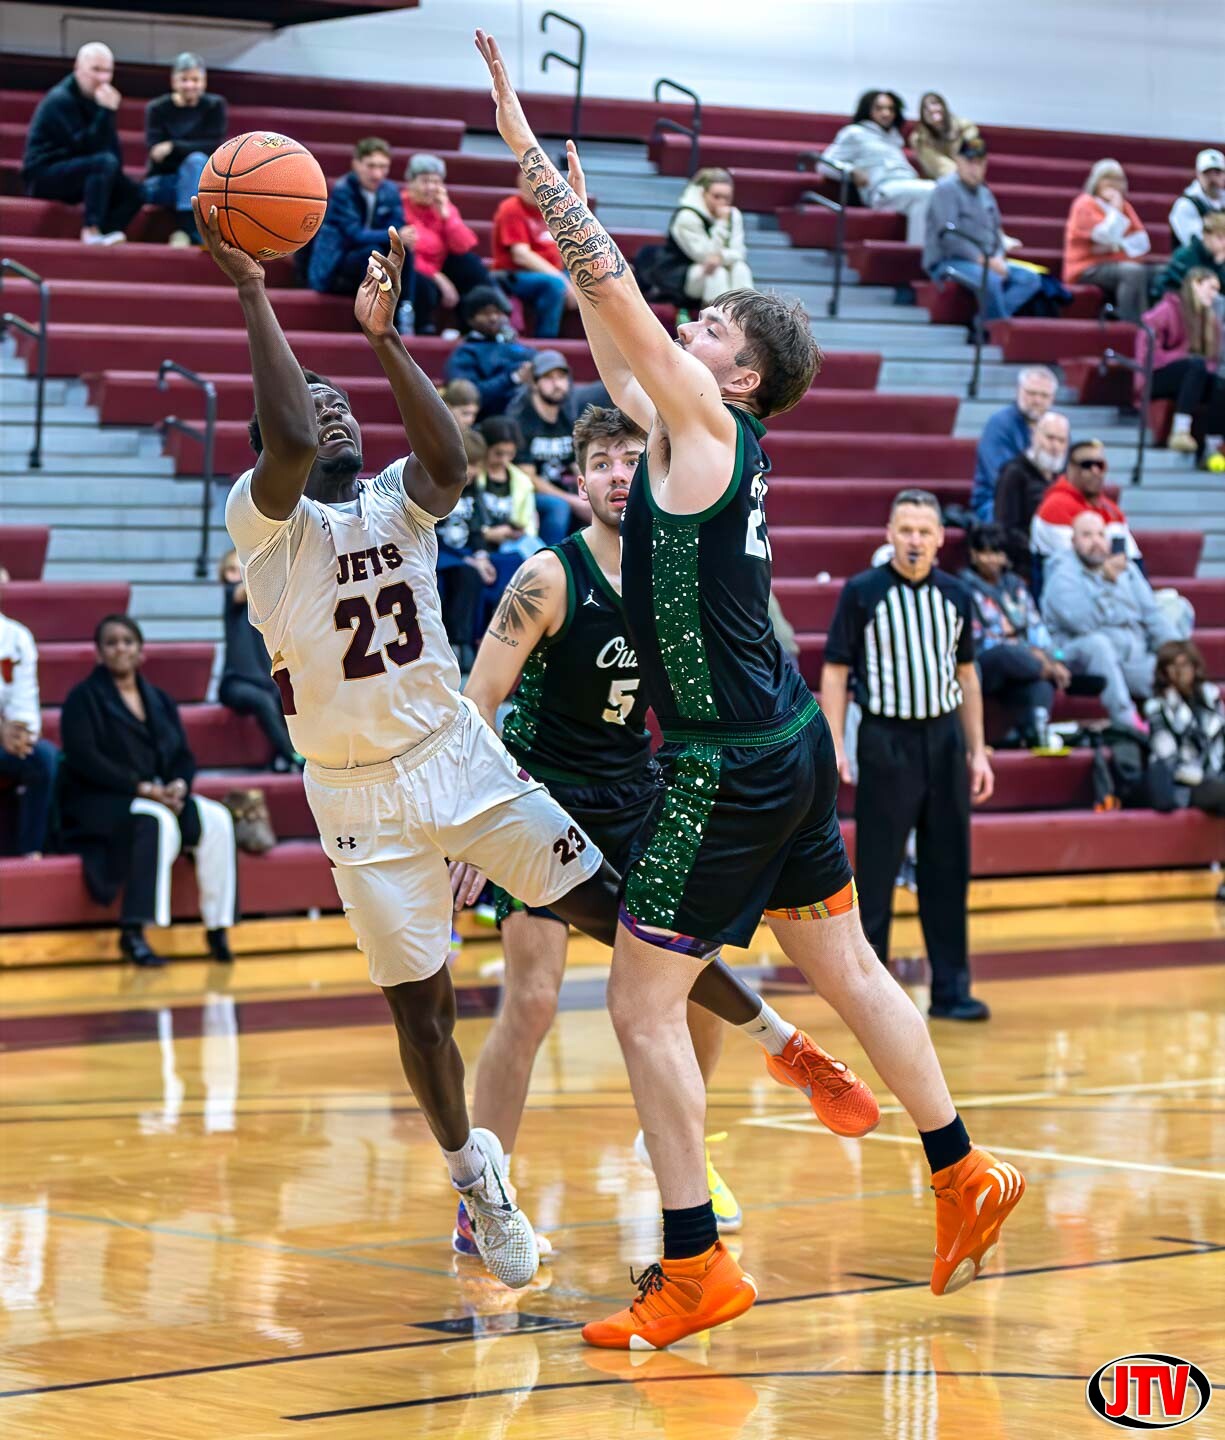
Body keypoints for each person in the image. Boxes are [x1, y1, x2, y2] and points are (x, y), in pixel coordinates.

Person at [478, 28, 1024, 1348]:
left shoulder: (709, 420)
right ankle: (963, 1168)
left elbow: (616, 288)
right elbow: (612, 313)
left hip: (727, 758)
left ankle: (694, 1264)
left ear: (739, 374)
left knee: (640, 1002)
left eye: (709, 322)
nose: (688, 318)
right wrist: (573, 222)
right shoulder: (680, 421)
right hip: (783, 740)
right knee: (837, 960)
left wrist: (526, 162)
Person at [209, 188, 830, 1294]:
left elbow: (447, 464)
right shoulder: (264, 527)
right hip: (355, 799)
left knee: (624, 915)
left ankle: (782, 1040)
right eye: (313, 407)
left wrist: (385, 342)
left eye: (346, 403)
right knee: (426, 1012)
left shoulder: (395, 502)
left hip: (456, 759)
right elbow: (294, 435)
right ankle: (476, 1178)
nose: (335, 416)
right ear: (269, 450)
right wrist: (258, 289)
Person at [459, 404, 879, 1249]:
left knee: (688, 980)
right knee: (532, 1002)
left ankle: (677, 1146)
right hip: (544, 798)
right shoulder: (547, 575)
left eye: (630, 458)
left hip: (641, 790)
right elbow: (477, 703)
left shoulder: (675, 570)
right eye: (601, 462)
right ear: (576, 481)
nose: (619, 474)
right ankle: (483, 1202)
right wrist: (470, 825)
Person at [823, 490, 994, 1020]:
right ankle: (871, 997)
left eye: (924, 531)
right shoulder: (861, 592)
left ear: (941, 539)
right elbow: (835, 671)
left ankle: (951, 990)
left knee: (949, 866)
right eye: (905, 530)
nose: (915, 540)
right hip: (885, 739)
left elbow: (967, 674)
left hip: (943, 740)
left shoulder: (957, 596)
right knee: (876, 869)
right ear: (889, 534)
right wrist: (834, 744)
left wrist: (979, 750)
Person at [58, 614, 237, 967]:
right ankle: (134, 932)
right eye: (111, 642)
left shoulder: (159, 699)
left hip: (156, 794)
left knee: (217, 819)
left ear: (140, 651)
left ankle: (217, 928)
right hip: (101, 800)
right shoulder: (83, 698)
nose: (120, 648)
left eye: (128, 641)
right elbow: (84, 759)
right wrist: (141, 789)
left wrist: (179, 786)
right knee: (157, 822)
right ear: (99, 653)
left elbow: (183, 755)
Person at [1041, 512, 1178, 731]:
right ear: (1073, 541)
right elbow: (1082, 623)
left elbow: (1152, 614)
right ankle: (1127, 723)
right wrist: (1104, 582)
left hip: (1131, 658)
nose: (1095, 541)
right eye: (1087, 535)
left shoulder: (1127, 570)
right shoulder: (1062, 573)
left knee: (1176, 650)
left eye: (1100, 534)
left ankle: (1191, 718)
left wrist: (1177, 651)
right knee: (1098, 644)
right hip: (1076, 657)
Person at [21, 42, 143, 245]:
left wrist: (107, 113)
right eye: (96, 70)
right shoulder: (60, 99)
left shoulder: (99, 100)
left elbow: (113, 155)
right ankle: (90, 231)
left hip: (81, 172)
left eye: (107, 71)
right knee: (102, 163)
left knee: (135, 190)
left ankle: (108, 231)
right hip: (44, 173)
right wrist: (106, 112)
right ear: (78, 68)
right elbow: (83, 146)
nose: (103, 78)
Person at [961, 523, 1071, 748]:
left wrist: (1049, 656)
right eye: (985, 553)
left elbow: (1036, 628)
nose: (991, 559)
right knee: (1005, 655)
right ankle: (1048, 671)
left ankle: (1032, 732)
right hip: (984, 664)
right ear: (973, 555)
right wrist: (1040, 661)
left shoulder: (1016, 586)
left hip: (1022, 664)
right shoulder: (963, 589)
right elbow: (979, 641)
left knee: (1040, 686)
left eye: (996, 553)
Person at [923, 138, 1042, 320]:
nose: (974, 169)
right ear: (958, 162)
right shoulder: (946, 190)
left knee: (1030, 279)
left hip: (987, 260)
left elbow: (996, 232)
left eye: (979, 163)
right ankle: (996, 330)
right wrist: (984, 261)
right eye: (970, 162)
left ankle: (985, 322)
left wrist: (998, 258)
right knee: (991, 280)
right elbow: (950, 237)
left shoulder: (985, 193)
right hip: (950, 261)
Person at [217, 549, 300, 771]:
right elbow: (243, 591)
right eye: (233, 571)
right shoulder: (231, 595)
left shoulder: (265, 607)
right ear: (224, 576)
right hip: (235, 684)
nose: (239, 575)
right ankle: (295, 758)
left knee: (287, 697)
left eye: (242, 569)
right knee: (264, 700)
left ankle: (280, 758)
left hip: (265, 684)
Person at [820, 89, 934, 244]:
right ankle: (919, 257)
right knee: (931, 190)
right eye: (879, 108)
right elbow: (824, 164)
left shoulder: (894, 138)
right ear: (868, 110)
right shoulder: (854, 132)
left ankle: (921, 255)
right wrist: (852, 171)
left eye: (890, 109)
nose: (886, 113)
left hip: (905, 186)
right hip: (881, 190)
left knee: (939, 195)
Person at [399, 153, 492, 333]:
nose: (431, 188)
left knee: (471, 265)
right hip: (412, 269)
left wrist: (447, 217)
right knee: (423, 284)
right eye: (425, 181)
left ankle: (477, 327)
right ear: (411, 183)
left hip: (441, 266)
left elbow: (464, 246)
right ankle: (425, 331)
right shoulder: (400, 206)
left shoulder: (444, 207)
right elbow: (409, 253)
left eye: (436, 182)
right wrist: (438, 277)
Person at [308, 138, 412, 298]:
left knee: (404, 253)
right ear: (356, 164)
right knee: (371, 254)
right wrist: (397, 235)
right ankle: (372, 319)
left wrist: (401, 238)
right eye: (371, 166)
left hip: (369, 258)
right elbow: (354, 234)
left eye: (383, 167)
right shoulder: (344, 190)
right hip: (337, 266)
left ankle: (405, 314)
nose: (377, 174)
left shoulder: (390, 191)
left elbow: (396, 224)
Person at [142, 52, 226, 247]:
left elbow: (214, 148)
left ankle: (185, 230)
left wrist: (173, 146)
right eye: (184, 80)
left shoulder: (215, 106)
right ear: (174, 81)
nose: (190, 85)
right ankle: (193, 229)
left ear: (204, 81)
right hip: (164, 182)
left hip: (201, 183)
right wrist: (191, 149)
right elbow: (156, 154)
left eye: (195, 80)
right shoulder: (157, 108)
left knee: (196, 161)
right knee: (196, 162)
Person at [1141, 268, 1225, 461]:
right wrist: (1183, 358)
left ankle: (1214, 444)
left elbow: (1211, 361)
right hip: (1157, 375)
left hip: (1191, 375)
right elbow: (1147, 351)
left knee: (1220, 382)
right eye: (1211, 288)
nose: (1215, 295)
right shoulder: (1167, 309)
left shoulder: (1209, 318)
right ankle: (1180, 430)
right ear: (1195, 284)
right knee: (1195, 364)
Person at [508, 349, 589, 544]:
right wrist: (574, 502)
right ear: (534, 383)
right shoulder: (520, 419)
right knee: (559, 506)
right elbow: (528, 478)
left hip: (558, 488)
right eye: (548, 378)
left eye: (561, 377)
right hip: (524, 494)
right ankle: (549, 564)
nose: (557, 384)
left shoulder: (566, 415)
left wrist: (591, 491)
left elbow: (576, 463)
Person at [435, 429, 497, 672]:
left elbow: (476, 531)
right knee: (442, 581)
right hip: (439, 555)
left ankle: (463, 643)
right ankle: (442, 643)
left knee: (471, 577)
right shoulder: (436, 487)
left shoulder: (473, 492)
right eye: (467, 464)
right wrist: (469, 559)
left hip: (464, 559)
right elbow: (430, 533)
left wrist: (481, 556)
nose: (472, 470)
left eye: (477, 464)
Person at [1063, 160, 1153, 322]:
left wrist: (1113, 247)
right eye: (1108, 178)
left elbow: (1142, 242)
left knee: (1161, 273)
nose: (1114, 184)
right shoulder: (1084, 204)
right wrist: (1116, 210)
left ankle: (1157, 327)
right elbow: (1106, 236)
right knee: (1132, 272)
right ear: (1096, 181)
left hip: (1115, 264)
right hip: (1086, 268)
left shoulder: (1126, 207)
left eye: (1118, 179)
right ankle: (1131, 327)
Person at [1031, 439, 1141, 570]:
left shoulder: (1112, 510)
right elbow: (1078, 564)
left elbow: (1133, 560)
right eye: (1087, 465)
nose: (1095, 471)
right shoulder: (1054, 507)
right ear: (1071, 469)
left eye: (1100, 465)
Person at [0, 605, 57, 858]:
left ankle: (30, 853)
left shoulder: (15, 636)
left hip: (5, 739)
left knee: (42, 757)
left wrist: (19, 734)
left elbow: (24, 704)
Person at [491, 170, 576, 337]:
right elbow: (521, 255)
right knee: (554, 285)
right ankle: (546, 339)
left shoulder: (552, 209)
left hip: (551, 270)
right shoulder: (511, 208)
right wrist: (563, 279)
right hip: (515, 274)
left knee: (593, 282)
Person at [1145, 640, 1225, 815]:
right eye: (1172, 666)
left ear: (1195, 667)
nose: (1180, 671)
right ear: (1164, 672)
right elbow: (1168, 758)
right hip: (1185, 784)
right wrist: (1205, 778)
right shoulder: (1158, 708)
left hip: (1216, 776)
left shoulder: (1211, 698)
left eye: (1185, 664)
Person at [971, 366, 1058, 521]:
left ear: (1053, 399)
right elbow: (1001, 480)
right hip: (996, 502)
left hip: (1042, 499)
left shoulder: (1058, 427)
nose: (1037, 400)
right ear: (1018, 391)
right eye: (1031, 393)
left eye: (1044, 395)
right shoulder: (999, 424)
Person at [994, 410, 1070, 580]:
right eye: (1049, 438)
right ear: (1034, 436)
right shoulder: (1013, 472)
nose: (1055, 446)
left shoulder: (1067, 476)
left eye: (1061, 440)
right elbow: (1006, 528)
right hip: (1027, 563)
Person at [442, 286, 535, 419]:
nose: (493, 318)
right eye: (485, 313)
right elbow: (468, 396)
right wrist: (513, 378)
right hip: (489, 421)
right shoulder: (465, 354)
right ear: (470, 319)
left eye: (498, 312)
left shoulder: (513, 345)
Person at [668, 169, 754, 309]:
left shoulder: (733, 215)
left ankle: (745, 314)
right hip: (686, 273)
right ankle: (715, 316)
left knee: (741, 268)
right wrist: (721, 223)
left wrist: (721, 257)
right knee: (716, 273)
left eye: (727, 197)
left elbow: (739, 252)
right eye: (717, 196)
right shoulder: (686, 217)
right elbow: (704, 255)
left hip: (720, 265)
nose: (722, 202)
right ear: (703, 194)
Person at [910, 92, 980, 180]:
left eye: (934, 103)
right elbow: (939, 166)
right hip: (942, 181)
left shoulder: (967, 127)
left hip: (969, 176)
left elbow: (974, 156)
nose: (931, 109)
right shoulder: (919, 139)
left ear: (944, 106)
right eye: (926, 107)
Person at [1169, 148, 1225, 249]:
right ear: (1198, 175)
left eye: (1217, 172)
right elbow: (1198, 243)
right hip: (1192, 263)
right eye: (1207, 173)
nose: (1212, 178)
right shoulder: (1185, 205)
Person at [1159, 210, 1225, 293]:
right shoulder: (1185, 256)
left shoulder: (1220, 258)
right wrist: (1217, 265)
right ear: (1206, 235)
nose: (1224, 243)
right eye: (1220, 237)